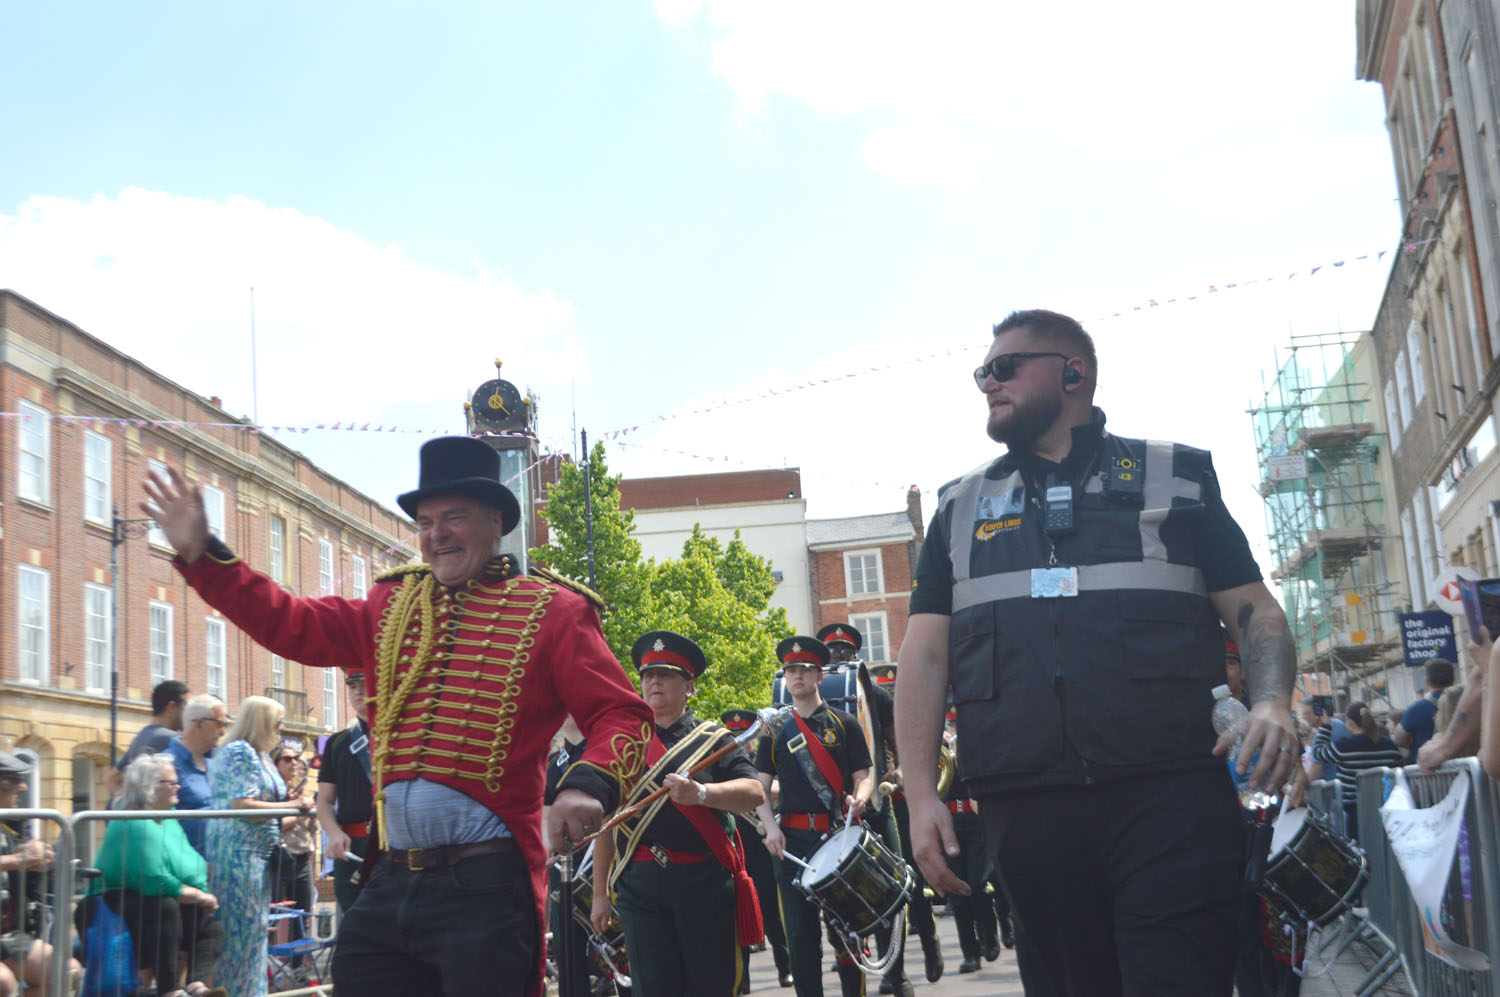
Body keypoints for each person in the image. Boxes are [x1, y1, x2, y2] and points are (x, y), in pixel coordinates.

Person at [141, 436, 653, 997]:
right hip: (389, 879)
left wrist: (586, 784)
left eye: (454, 517)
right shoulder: (389, 606)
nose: (437, 534)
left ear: (496, 521)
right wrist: (201, 555)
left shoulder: (553, 612)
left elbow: (622, 714)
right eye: (427, 521)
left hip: (485, 885)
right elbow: (288, 622)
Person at [896, 309, 1301, 996]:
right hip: (1027, 810)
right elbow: (925, 655)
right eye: (981, 371)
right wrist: (919, 794)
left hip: (1170, 797)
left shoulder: (1176, 476)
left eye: (1005, 367)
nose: (987, 383)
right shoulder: (961, 506)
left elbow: (1255, 607)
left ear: (1073, 373)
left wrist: (1272, 701)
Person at [590, 631, 765, 997]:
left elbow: (753, 793)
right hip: (639, 886)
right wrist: (600, 893)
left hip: (703, 883)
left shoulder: (715, 739)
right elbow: (607, 822)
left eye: (666, 675)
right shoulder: (622, 743)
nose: (654, 682)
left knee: (712, 986)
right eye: (648, 676)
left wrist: (702, 793)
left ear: (689, 686)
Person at [754, 636, 875, 997]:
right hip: (791, 845)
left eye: (805, 669)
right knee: (801, 941)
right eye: (791, 670)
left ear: (819, 676)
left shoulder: (844, 723)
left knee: (848, 935)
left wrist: (861, 798)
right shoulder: (773, 731)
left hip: (837, 838)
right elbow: (758, 788)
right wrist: (770, 828)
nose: (797, 676)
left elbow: (864, 774)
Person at [79, 753, 225, 997]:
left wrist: (201, 895)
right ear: (150, 787)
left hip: (146, 901)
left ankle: (197, 986)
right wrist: (199, 896)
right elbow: (154, 879)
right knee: (166, 906)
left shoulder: (167, 818)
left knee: (211, 929)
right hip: (110, 903)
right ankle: (169, 990)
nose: (178, 786)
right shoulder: (132, 819)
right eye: (171, 782)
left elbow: (192, 865)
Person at [207, 696, 309, 997]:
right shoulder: (240, 752)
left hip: (258, 854)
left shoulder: (260, 754)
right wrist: (294, 804)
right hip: (239, 854)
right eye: (278, 723)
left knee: (254, 936)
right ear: (262, 723)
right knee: (241, 937)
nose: (281, 729)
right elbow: (241, 803)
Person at [0, 752, 82, 997]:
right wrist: (17, 860)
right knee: (3, 983)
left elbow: (24, 862)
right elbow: (14, 861)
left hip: (8, 934)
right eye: (13, 780)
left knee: (69, 972)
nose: (23, 787)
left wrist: (43, 859)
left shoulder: (12, 824)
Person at [723, 709, 793, 992]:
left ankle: (785, 968)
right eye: (736, 735)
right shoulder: (724, 764)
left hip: (760, 840)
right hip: (735, 843)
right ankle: (744, 981)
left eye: (745, 735)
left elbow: (775, 787)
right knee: (737, 914)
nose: (742, 740)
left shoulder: (758, 761)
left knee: (771, 911)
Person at [544, 716, 594, 997]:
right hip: (564, 865)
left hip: (600, 861)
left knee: (615, 952)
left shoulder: (602, 752)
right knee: (567, 948)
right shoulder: (554, 764)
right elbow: (545, 814)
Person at [315, 671, 373, 915]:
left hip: (395, 845)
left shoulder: (402, 735)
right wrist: (333, 832)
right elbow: (325, 800)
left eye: (365, 684)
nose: (358, 691)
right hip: (353, 847)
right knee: (353, 925)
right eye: (352, 686)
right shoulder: (337, 743)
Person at [1311, 702, 1404, 841]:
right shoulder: (1389, 745)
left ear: (1349, 722)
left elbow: (1318, 753)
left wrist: (1325, 726)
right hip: (1386, 807)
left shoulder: (1344, 745)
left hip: (1354, 810)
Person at [106, 679, 190, 802]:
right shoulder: (171, 739)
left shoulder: (141, 737)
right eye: (186, 706)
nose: (189, 713)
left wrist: (129, 806)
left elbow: (111, 779)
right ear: (171, 707)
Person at [268, 745, 317, 954]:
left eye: (296, 758)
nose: (294, 763)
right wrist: (299, 812)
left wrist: (310, 812)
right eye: (287, 759)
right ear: (275, 763)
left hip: (303, 858)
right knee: (272, 919)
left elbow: (311, 827)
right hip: (280, 860)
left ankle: (298, 970)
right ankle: (269, 970)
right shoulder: (271, 792)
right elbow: (274, 824)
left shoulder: (300, 792)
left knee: (302, 918)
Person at [167, 694, 228, 860]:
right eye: (219, 724)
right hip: (188, 870)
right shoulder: (167, 764)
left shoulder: (216, 763)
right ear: (199, 723)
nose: (223, 731)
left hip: (220, 867)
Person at [1393, 658, 1455, 764]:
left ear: (1427, 681)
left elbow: (1399, 739)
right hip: (1461, 768)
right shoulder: (1463, 703)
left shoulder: (1417, 708)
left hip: (1425, 770)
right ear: (1453, 679)